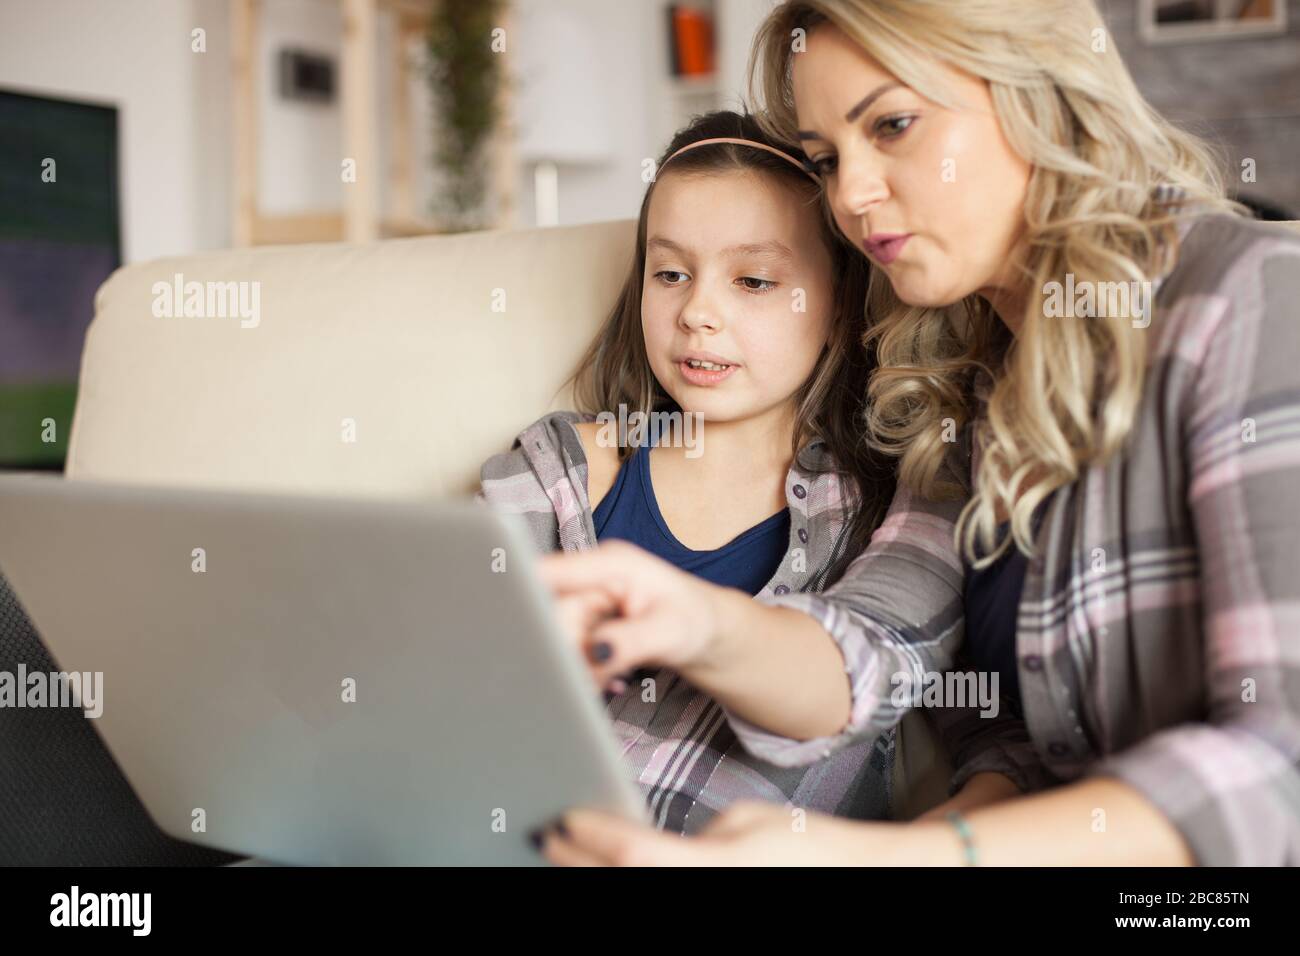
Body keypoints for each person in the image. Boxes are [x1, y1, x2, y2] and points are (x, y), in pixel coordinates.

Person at [533, 0, 1300, 866]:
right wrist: (697, 621)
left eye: (892, 125)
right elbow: (871, 650)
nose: (852, 197)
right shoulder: (973, 398)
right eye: (827, 158)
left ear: (1035, 93)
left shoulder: (1252, 300)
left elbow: (1280, 772)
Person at [477, 109, 1024, 836]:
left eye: (755, 281)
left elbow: (1001, 743)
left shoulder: (890, 521)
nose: (697, 312)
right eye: (670, 273)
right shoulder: (560, 472)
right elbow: (441, 673)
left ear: (838, 304)